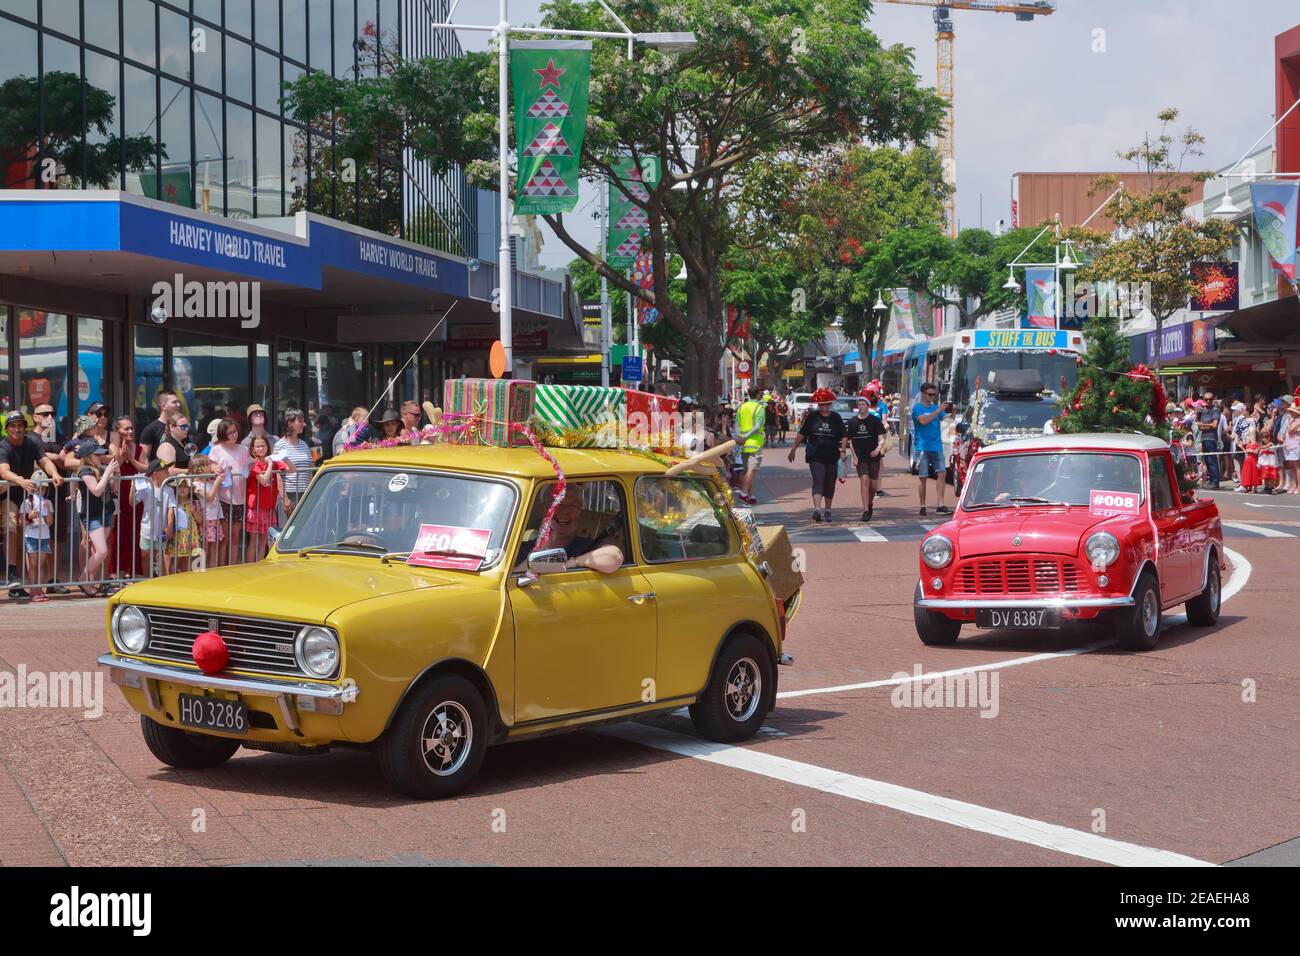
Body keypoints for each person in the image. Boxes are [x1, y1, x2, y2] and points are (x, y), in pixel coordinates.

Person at [0, 411, 64, 599]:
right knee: (11, 528)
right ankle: (12, 571)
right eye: (12, 425)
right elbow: (4, 472)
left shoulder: (32, 442)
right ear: (7, 429)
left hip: (28, 499)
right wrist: (20, 481)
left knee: (23, 543)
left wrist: (54, 474)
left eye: (20, 425)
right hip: (9, 496)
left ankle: (17, 585)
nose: (17, 429)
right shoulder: (3, 446)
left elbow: (45, 461)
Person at [513, 484, 624, 574]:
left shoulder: (586, 546)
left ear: (580, 512)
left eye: (572, 506)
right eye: (556, 504)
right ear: (544, 510)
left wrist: (569, 564)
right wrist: (539, 552)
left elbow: (615, 556)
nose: (564, 511)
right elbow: (510, 583)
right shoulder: (522, 549)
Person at [789, 388, 846, 522]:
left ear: (830, 404)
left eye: (826, 404)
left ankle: (828, 510)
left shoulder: (836, 418)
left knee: (830, 483)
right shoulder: (812, 417)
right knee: (818, 479)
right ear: (818, 405)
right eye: (821, 404)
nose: (824, 407)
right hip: (815, 454)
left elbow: (844, 436)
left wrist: (843, 451)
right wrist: (793, 449)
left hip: (832, 455)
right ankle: (817, 509)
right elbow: (802, 434)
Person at [75, 440, 119, 595]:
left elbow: (114, 489)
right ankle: (83, 578)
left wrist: (114, 474)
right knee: (102, 551)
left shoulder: (100, 469)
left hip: (106, 511)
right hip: (92, 514)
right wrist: (107, 473)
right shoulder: (84, 471)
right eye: (97, 454)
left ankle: (90, 582)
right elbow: (96, 490)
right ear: (88, 456)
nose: (101, 456)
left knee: (97, 550)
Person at [245, 435, 294, 563]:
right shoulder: (253, 464)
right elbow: (264, 480)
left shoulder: (274, 461)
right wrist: (271, 464)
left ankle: (259, 565)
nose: (261, 448)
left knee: (263, 541)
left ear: (268, 447)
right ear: (253, 449)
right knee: (253, 540)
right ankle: (250, 567)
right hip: (255, 506)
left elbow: (293, 469)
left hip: (268, 507)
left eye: (263, 446)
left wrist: (284, 457)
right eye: (258, 446)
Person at [208, 418, 250, 565]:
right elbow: (209, 465)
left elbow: (249, 466)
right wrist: (214, 467)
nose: (234, 435)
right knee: (224, 537)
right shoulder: (216, 450)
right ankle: (221, 567)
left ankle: (232, 566)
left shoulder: (244, 449)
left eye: (235, 431)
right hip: (223, 498)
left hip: (240, 498)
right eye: (230, 432)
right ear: (223, 434)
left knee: (235, 538)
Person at [845, 390, 890, 522]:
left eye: (863, 404)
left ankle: (870, 504)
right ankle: (865, 510)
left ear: (868, 405)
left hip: (873, 455)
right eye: (859, 404)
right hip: (861, 456)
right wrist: (854, 457)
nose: (861, 406)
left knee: (873, 485)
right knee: (864, 480)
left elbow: (881, 439)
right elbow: (850, 441)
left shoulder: (875, 421)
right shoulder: (853, 422)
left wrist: (877, 449)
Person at [107, 417, 142, 580]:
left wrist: (132, 459)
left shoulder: (138, 448)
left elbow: (146, 467)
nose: (130, 432)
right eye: (125, 429)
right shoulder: (112, 446)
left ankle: (130, 569)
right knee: (116, 533)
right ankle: (113, 571)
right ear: (117, 431)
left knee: (133, 531)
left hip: (134, 494)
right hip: (118, 493)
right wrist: (121, 454)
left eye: (131, 428)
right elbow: (115, 467)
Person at [911, 382, 952, 516]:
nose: (933, 397)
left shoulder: (936, 408)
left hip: (936, 446)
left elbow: (949, 421)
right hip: (922, 446)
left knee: (942, 473)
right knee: (923, 477)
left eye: (934, 394)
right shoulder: (918, 408)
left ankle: (940, 504)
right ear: (923, 394)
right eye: (930, 394)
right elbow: (923, 421)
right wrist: (938, 410)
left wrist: (953, 410)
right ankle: (922, 505)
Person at [134, 459, 175, 575]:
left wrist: (170, 525)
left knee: (160, 556)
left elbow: (171, 509)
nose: (168, 471)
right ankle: (146, 580)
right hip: (146, 529)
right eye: (165, 469)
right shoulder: (145, 487)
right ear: (155, 473)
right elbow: (133, 502)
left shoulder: (169, 490)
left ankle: (160, 581)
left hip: (161, 530)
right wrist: (133, 487)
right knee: (145, 555)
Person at [273, 409, 315, 517]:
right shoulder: (279, 445)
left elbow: (310, 468)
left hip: (304, 494)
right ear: (290, 423)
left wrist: (310, 491)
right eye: (300, 421)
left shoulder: (304, 445)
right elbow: (277, 474)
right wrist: (284, 498)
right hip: (289, 495)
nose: (304, 424)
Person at [20, 474, 54, 603]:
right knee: (33, 564)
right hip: (31, 537)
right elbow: (21, 521)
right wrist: (30, 516)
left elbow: (50, 522)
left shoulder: (48, 503)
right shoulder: (27, 502)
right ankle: (33, 590)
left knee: (41, 564)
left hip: (44, 537)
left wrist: (47, 511)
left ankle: (39, 589)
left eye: (44, 489)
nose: (41, 491)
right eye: (38, 489)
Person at [188, 454, 225, 571]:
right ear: (199, 468)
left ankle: (212, 570)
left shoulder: (210, 480)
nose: (209, 466)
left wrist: (214, 467)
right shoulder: (196, 484)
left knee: (214, 546)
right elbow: (209, 498)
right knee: (205, 548)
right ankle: (200, 570)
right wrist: (217, 482)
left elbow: (222, 471)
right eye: (207, 464)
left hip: (215, 517)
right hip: (206, 518)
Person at [165, 476, 203, 574]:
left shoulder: (195, 503)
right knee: (175, 562)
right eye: (180, 486)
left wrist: (194, 510)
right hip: (177, 537)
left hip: (190, 537)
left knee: (188, 563)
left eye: (185, 486)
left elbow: (200, 520)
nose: (182, 489)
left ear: (190, 489)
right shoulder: (173, 504)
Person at [735, 387, 766, 506]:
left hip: (743, 444)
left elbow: (737, 424)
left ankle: (752, 496)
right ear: (757, 394)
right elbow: (758, 426)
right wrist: (746, 436)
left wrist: (740, 437)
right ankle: (743, 494)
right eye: (761, 393)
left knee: (747, 471)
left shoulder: (741, 407)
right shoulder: (759, 408)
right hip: (755, 443)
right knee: (751, 471)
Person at [137, 389, 182, 465]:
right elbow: (143, 459)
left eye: (178, 402)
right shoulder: (150, 429)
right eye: (174, 402)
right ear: (163, 406)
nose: (178, 405)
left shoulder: (181, 426)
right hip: (161, 474)